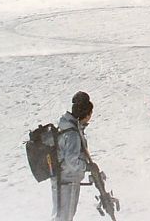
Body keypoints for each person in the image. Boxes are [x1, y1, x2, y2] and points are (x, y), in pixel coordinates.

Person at [52, 91, 93, 221]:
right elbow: (71, 161)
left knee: (60, 216)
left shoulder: (67, 127)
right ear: (85, 114)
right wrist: (86, 167)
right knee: (65, 217)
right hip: (68, 180)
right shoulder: (72, 134)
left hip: (62, 178)